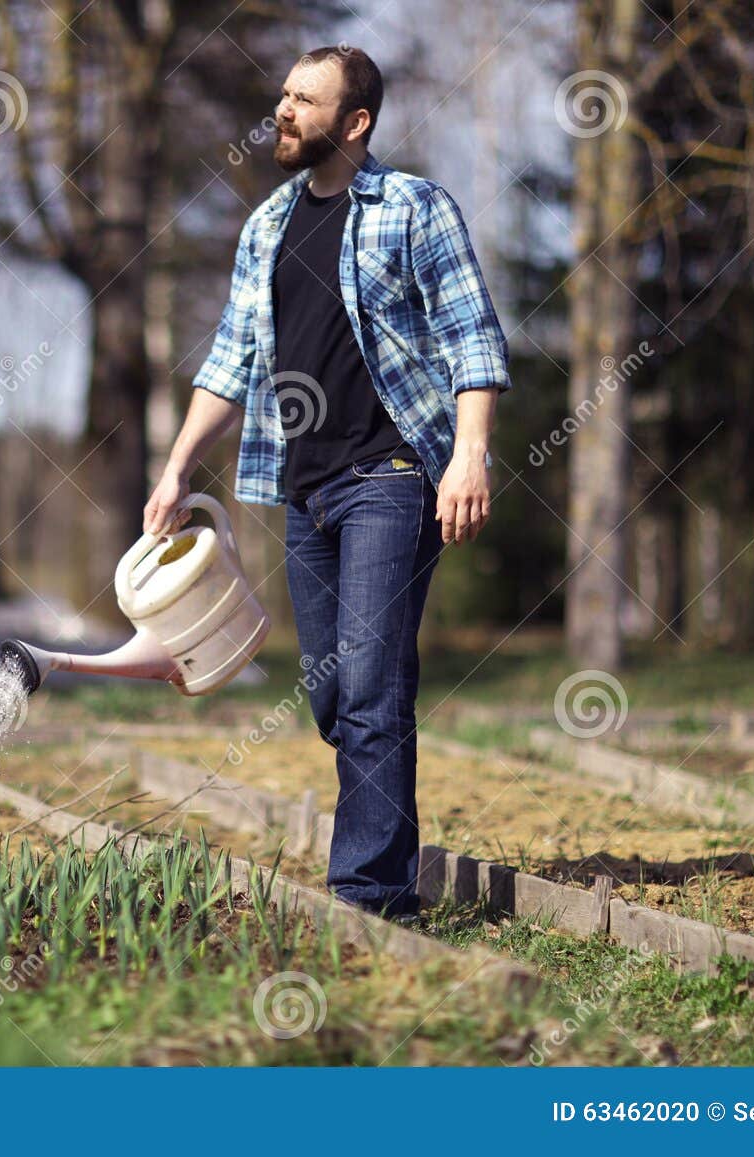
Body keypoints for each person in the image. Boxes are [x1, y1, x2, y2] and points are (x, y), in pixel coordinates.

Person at [144, 44, 511, 923]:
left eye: (305, 100)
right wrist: (175, 465)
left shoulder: (415, 208)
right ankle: (379, 861)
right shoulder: (267, 225)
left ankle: (372, 895)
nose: (283, 109)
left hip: (391, 474)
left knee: (376, 681)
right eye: (283, 95)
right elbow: (229, 361)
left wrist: (471, 452)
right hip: (303, 492)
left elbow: (473, 338)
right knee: (334, 692)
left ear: (354, 123)